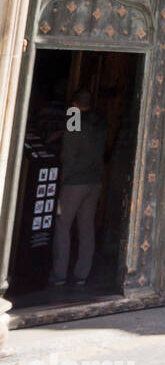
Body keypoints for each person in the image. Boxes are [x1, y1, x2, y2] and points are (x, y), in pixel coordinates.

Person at [49, 89, 107, 287]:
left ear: (74, 105)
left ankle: (59, 275)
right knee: (86, 227)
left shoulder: (74, 118)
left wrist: (63, 179)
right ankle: (82, 274)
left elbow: (68, 152)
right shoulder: (100, 122)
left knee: (63, 226)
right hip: (95, 181)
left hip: (74, 182)